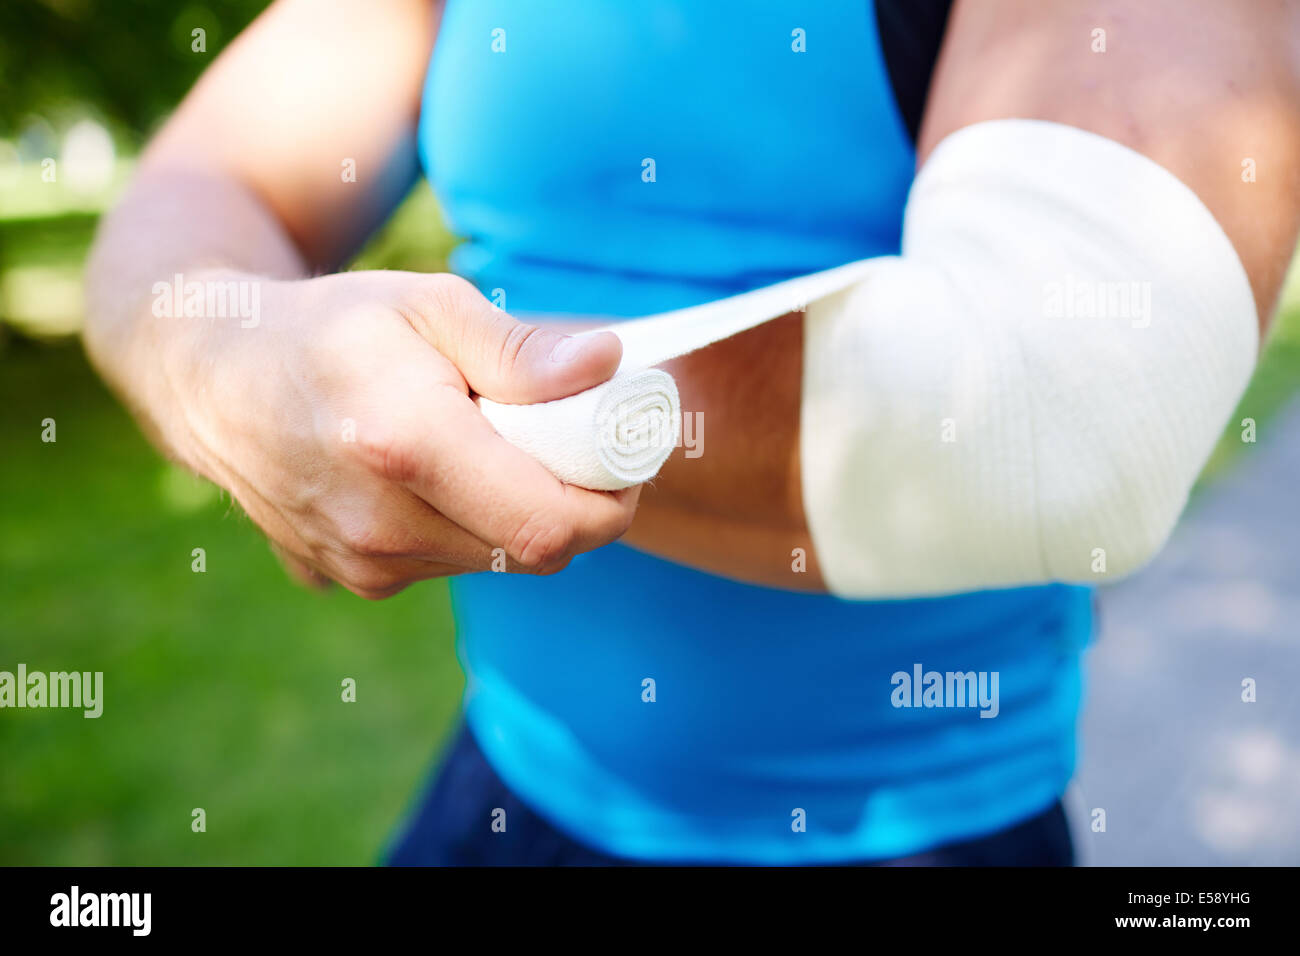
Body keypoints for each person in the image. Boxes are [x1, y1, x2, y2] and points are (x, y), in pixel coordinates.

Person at [84, 0, 1300, 865]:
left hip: (910, 831)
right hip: (507, 784)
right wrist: (225, 362)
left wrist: (415, 400)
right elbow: (198, 196)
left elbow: (1063, 409)